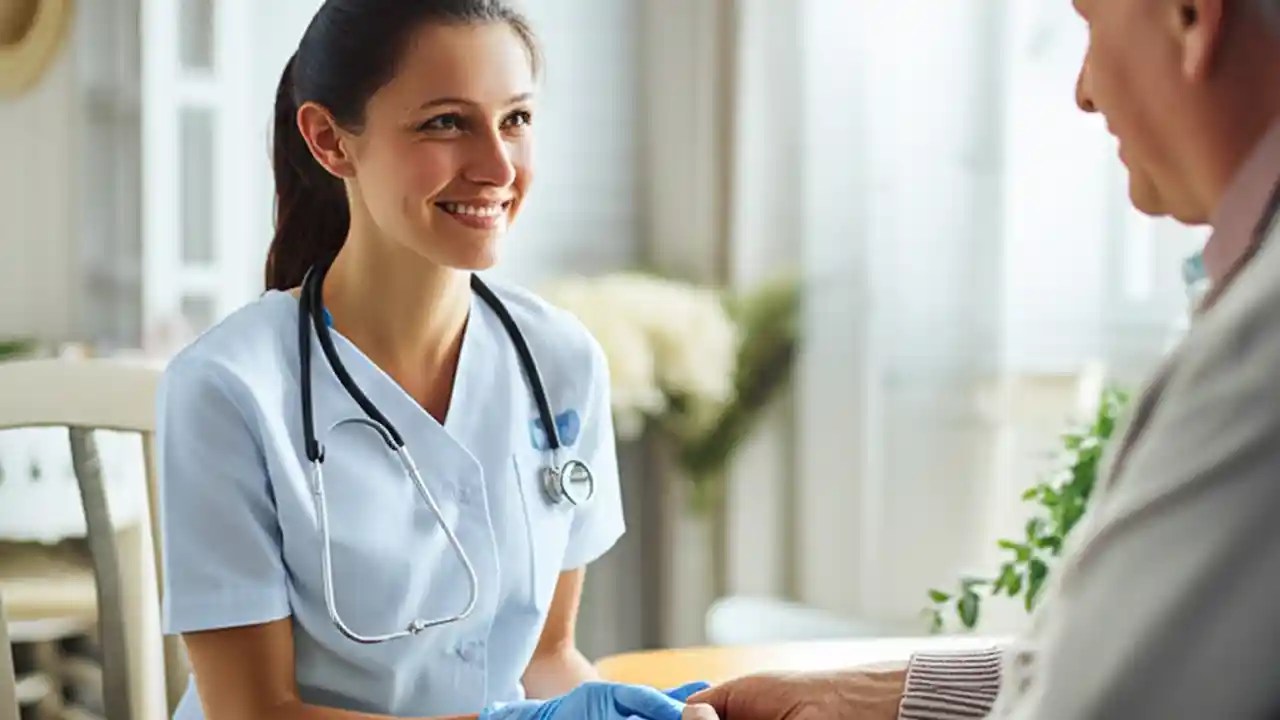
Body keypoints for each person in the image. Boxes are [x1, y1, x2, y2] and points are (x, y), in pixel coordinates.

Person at [691, 0, 1280, 717]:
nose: (1084, 91)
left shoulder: (1257, 352)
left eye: (1090, 22)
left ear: (1192, 17)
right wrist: (865, 695)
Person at [154, 1, 711, 718]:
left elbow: (543, 661)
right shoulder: (228, 390)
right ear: (330, 141)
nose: (497, 167)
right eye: (446, 123)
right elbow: (254, 711)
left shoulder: (561, 361)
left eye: (515, 119)